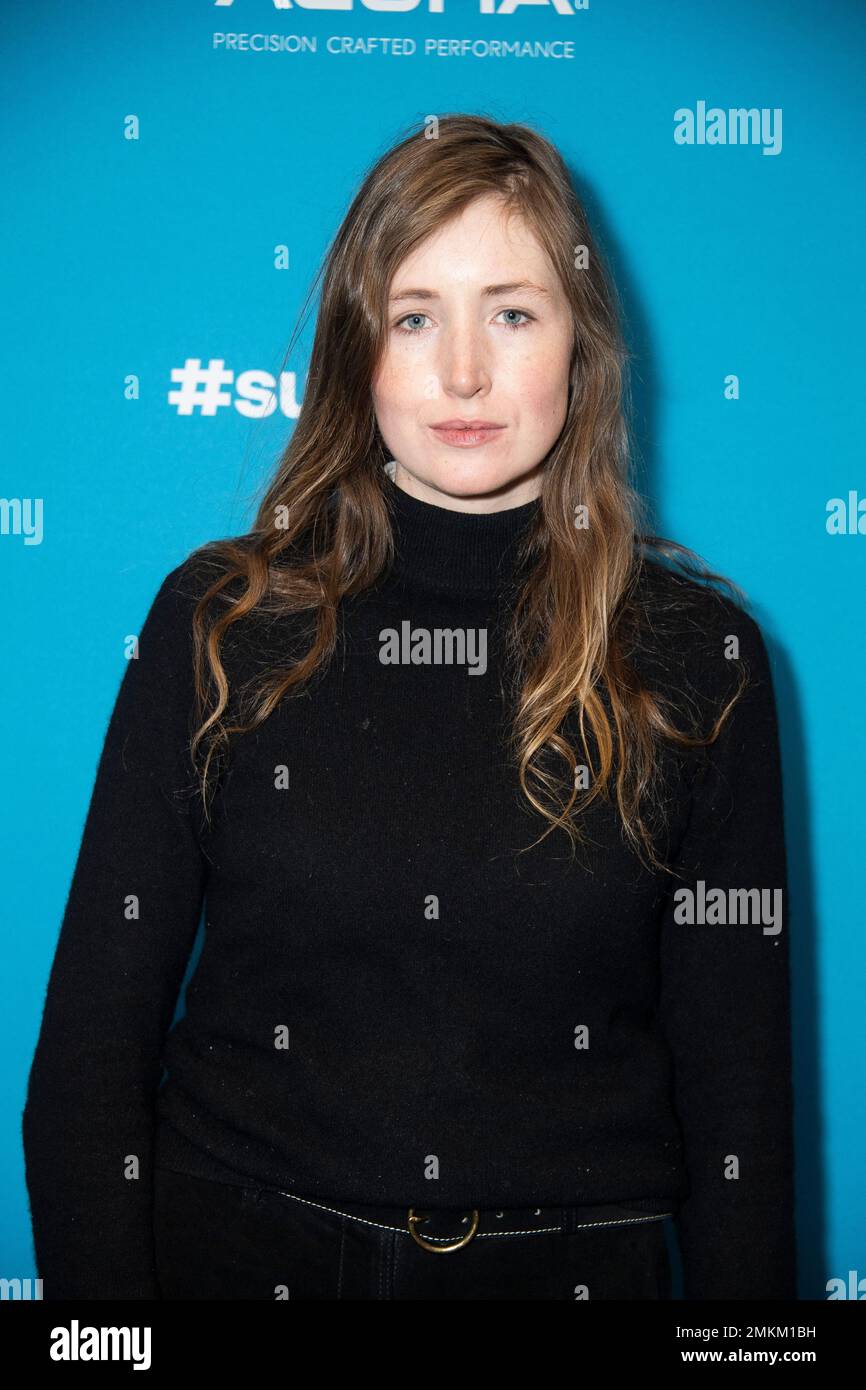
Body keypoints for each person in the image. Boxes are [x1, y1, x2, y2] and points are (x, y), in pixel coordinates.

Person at [21, 114, 797, 1301]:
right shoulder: (219, 621)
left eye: (513, 313)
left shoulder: (700, 657)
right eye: (414, 316)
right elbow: (89, 1055)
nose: (464, 372)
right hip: (240, 1262)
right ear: (356, 349)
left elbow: (739, 1101)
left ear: (581, 346)